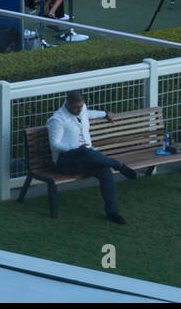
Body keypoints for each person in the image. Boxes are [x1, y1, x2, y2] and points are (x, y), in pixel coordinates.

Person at [47, 91, 138, 225]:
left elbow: (88, 113)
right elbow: (55, 145)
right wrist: (77, 147)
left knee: (105, 170)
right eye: (76, 107)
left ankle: (112, 213)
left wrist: (105, 114)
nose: (80, 110)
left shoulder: (82, 110)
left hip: (86, 158)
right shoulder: (58, 120)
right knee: (85, 151)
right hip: (65, 162)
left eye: (81, 106)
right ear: (67, 104)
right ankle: (118, 165)